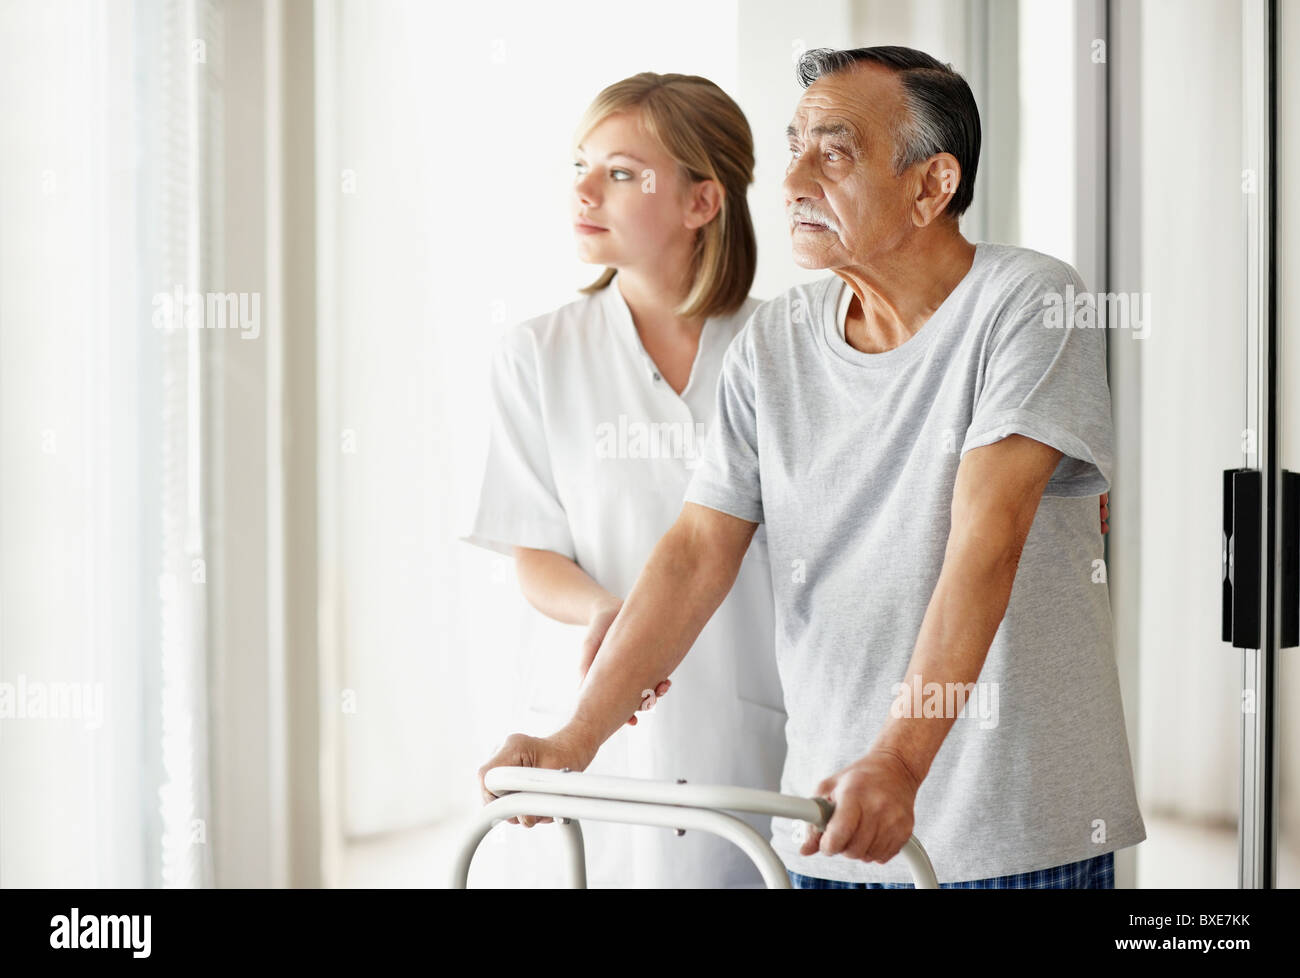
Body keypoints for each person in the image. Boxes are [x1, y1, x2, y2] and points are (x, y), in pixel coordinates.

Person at [476, 45, 1143, 889]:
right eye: (793, 147)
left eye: (833, 152)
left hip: (1008, 832)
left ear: (932, 186)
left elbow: (988, 540)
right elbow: (695, 549)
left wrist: (899, 764)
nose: (792, 179)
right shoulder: (776, 339)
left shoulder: (1029, 302)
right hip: (824, 827)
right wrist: (575, 741)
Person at [464, 72, 788, 887]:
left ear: (701, 203)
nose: (583, 189)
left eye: (619, 171)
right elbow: (533, 552)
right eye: (581, 164)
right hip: (595, 740)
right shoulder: (539, 356)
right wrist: (612, 616)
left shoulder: (782, 348)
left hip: (746, 734)